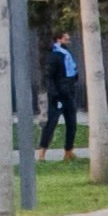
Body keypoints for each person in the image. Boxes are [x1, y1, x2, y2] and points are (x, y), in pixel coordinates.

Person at [39, 32, 81, 160]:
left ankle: (68, 151)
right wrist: (54, 93)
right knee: (51, 123)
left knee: (72, 124)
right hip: (58, 96)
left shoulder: (67, 54)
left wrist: (73, 81)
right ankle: (42, 152)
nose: (68, 40)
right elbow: (49, 76)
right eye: (65, 38)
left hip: (69, 94)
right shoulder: (54, 56)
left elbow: (72, 72)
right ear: (58, 39)